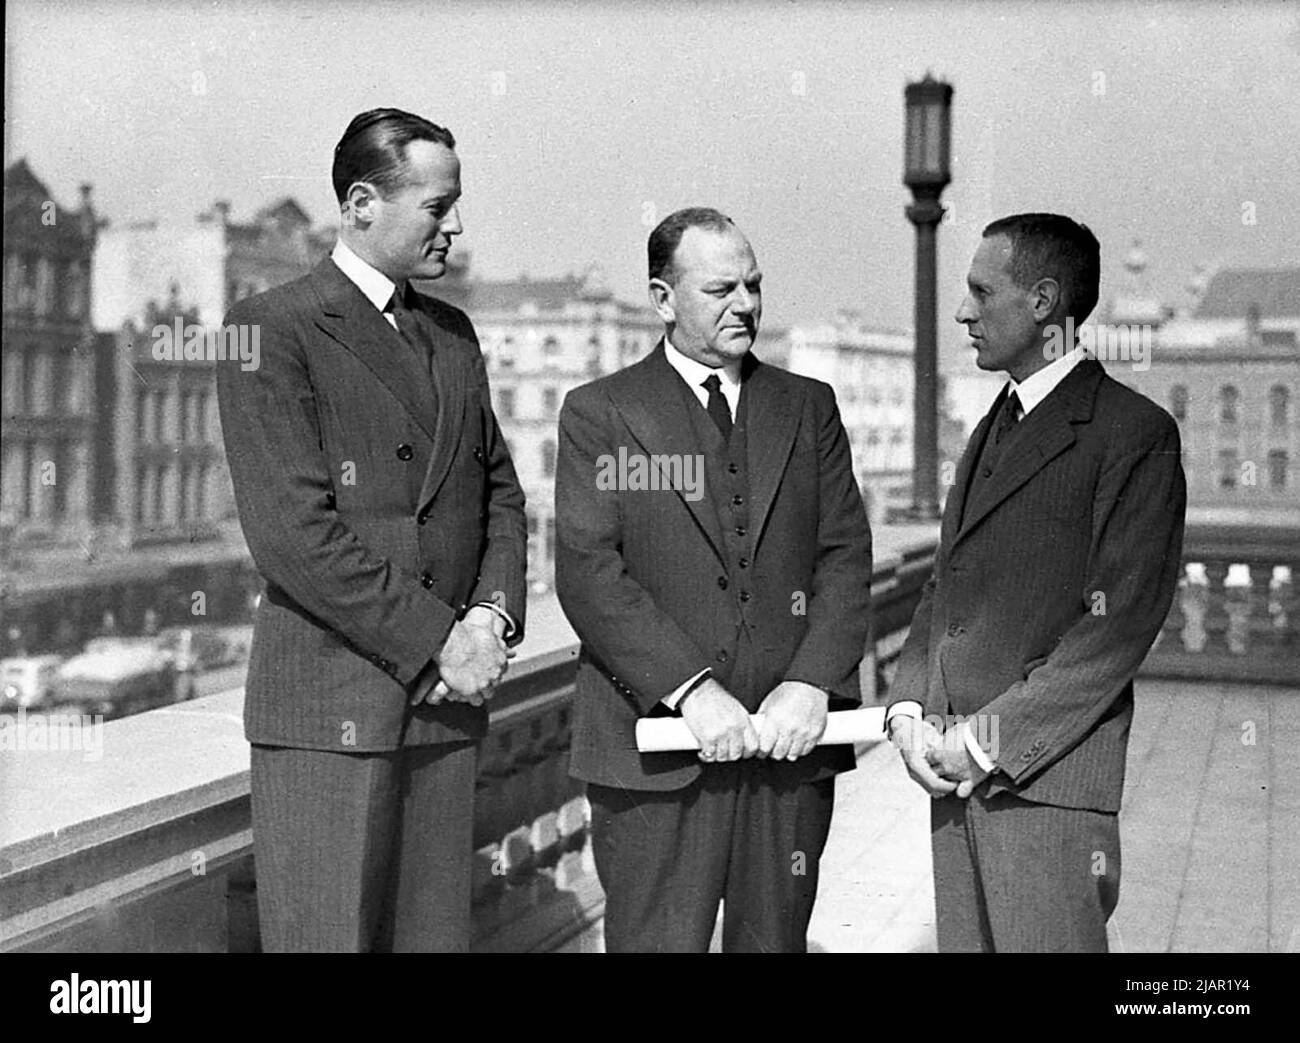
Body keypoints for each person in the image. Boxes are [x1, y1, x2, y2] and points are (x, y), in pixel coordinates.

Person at [216, 108, 526, 952]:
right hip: (331, 714)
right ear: (360, 204)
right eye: (437, 206)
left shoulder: (452, 333)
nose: (455, 225)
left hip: (445, 714)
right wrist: (441, 640)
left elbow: (498, 493)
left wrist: (493, 616)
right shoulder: (270, 327)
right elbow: (293, 535)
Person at [555, 207, 872, 952]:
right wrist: (692, 690)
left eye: (755, 285)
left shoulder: (808, 406)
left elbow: (845, 555)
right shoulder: (602, 414)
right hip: (656, 757)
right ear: (663, 299)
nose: (747, 305)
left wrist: (811, 683)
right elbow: (590, 571)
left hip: (788, 756)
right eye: (721, 287)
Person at [886, 212, 1186, 952]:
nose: (964, 311)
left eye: (982, 292)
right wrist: (907, 706)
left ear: (1045, 301)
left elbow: (1113, 631)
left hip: (1045, 786)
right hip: (958, 785)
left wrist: (983, 742)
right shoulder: (995, 422)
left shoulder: (1134, 433)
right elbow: (942, 589)